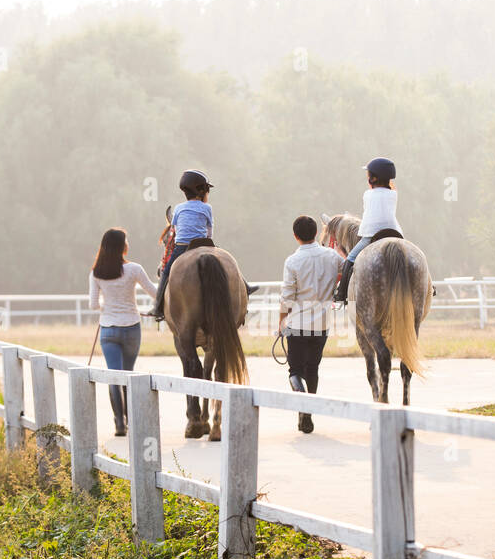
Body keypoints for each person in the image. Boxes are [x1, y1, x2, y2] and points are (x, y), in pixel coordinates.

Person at [149, 169, 256, 321]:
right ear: (201, 191)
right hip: (203, 244)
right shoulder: (207, 208)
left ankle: (158, 307)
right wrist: (209, 243)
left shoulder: (179, 208)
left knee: (166, 271)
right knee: (228, 263)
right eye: (207, 190)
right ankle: (246, 287)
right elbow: (209, 228)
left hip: (181, 246)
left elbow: (175, 228)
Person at [88, 227, 157, 436]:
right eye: (126, 241)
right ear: (123, 247)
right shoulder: (134, 269)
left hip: (108, 330)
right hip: (132, 328)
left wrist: (107, 306)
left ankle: (119, 423)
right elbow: (155, 293)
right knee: (128, 375)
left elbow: (92, 305)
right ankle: (131, 419)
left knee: (114, 376)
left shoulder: (96, 273)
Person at [278, 214, 343, 433]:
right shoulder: (332, 257)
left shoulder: (292, 261)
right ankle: (309, 412)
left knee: (295, 372)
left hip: (297, 324)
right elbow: (345, 270)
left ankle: (303, 409)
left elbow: (287, 296)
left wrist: (281, 321)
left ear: (295, 236)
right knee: (313, 368)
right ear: (316, 233)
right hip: (322, 325)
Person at [333, 156, 402, 305]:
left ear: (374, 178)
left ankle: (341, 293)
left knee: (349, 260)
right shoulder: (393, 194)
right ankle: (429, 286)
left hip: (371, 234)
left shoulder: (368, 194)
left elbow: (369, 215)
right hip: (395, 232)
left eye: (368, 175)